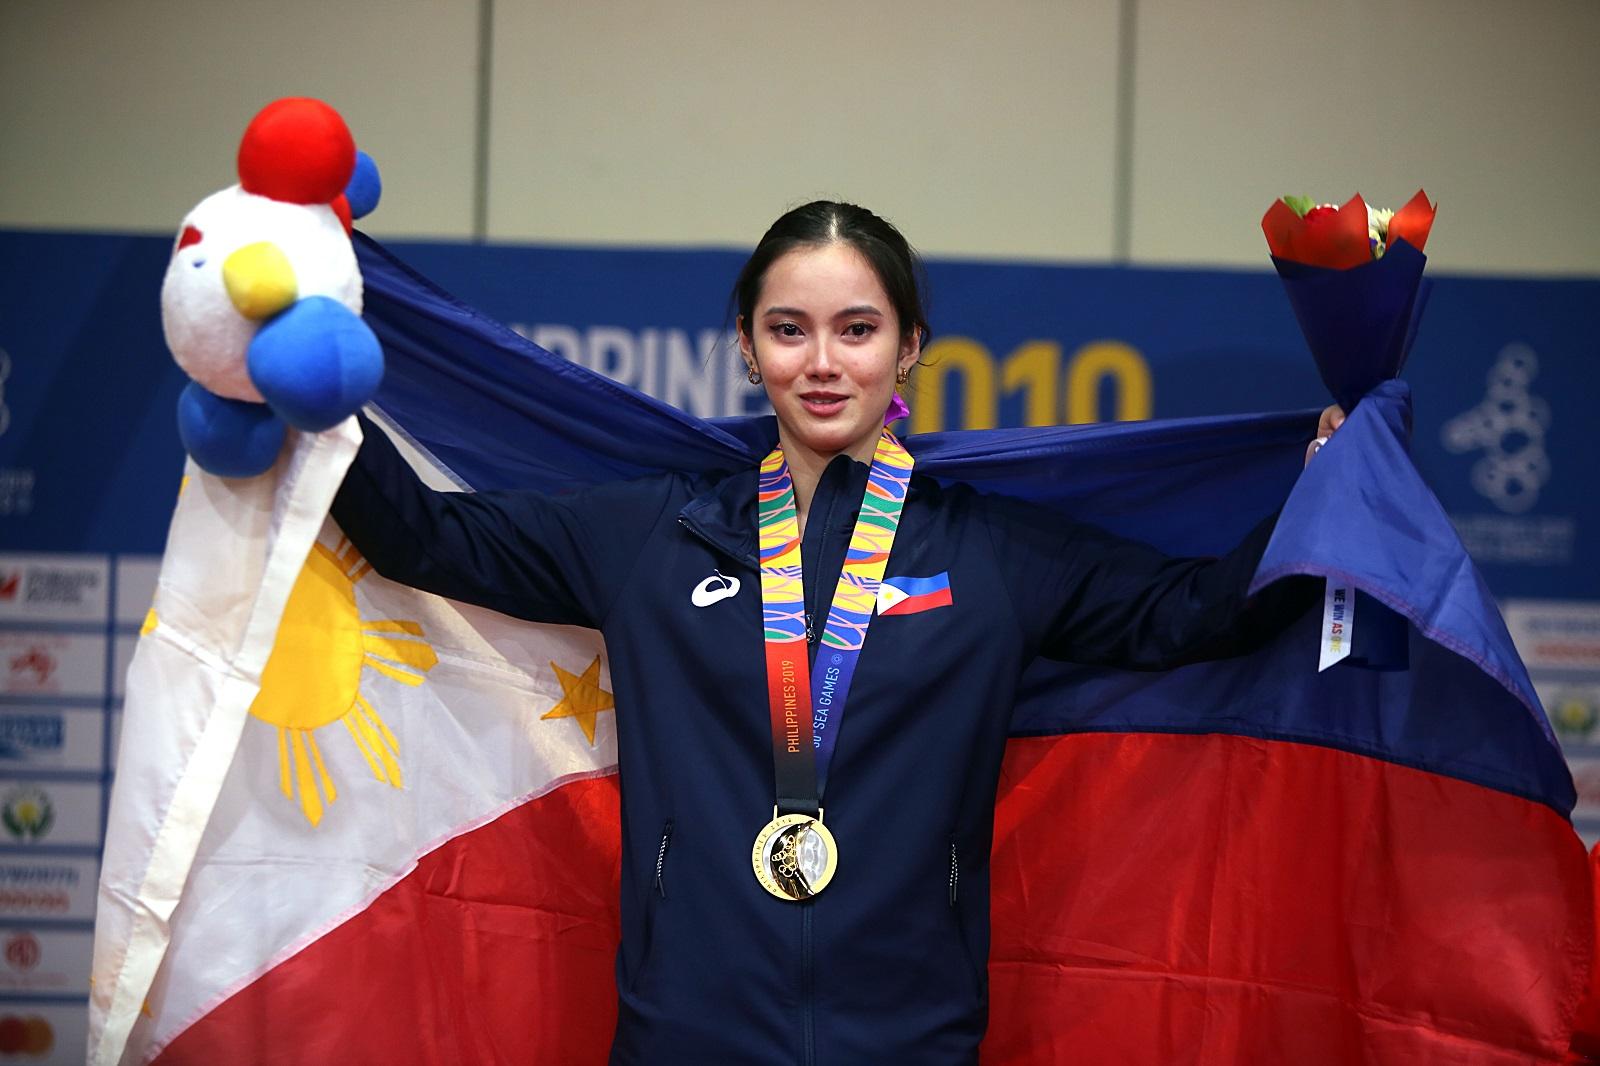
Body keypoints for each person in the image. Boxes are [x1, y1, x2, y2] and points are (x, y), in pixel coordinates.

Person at [330, 200, 1341, 1065]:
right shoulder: (648, 533)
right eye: (789, 329)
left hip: (909, 1036)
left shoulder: (993, 554)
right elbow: (423, 538)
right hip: (686, 1032)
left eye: (855, 330)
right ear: (745, 343)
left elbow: (1202, 613)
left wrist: (1331, 494)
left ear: (907, 346)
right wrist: (315, 393)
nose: (821, 363)